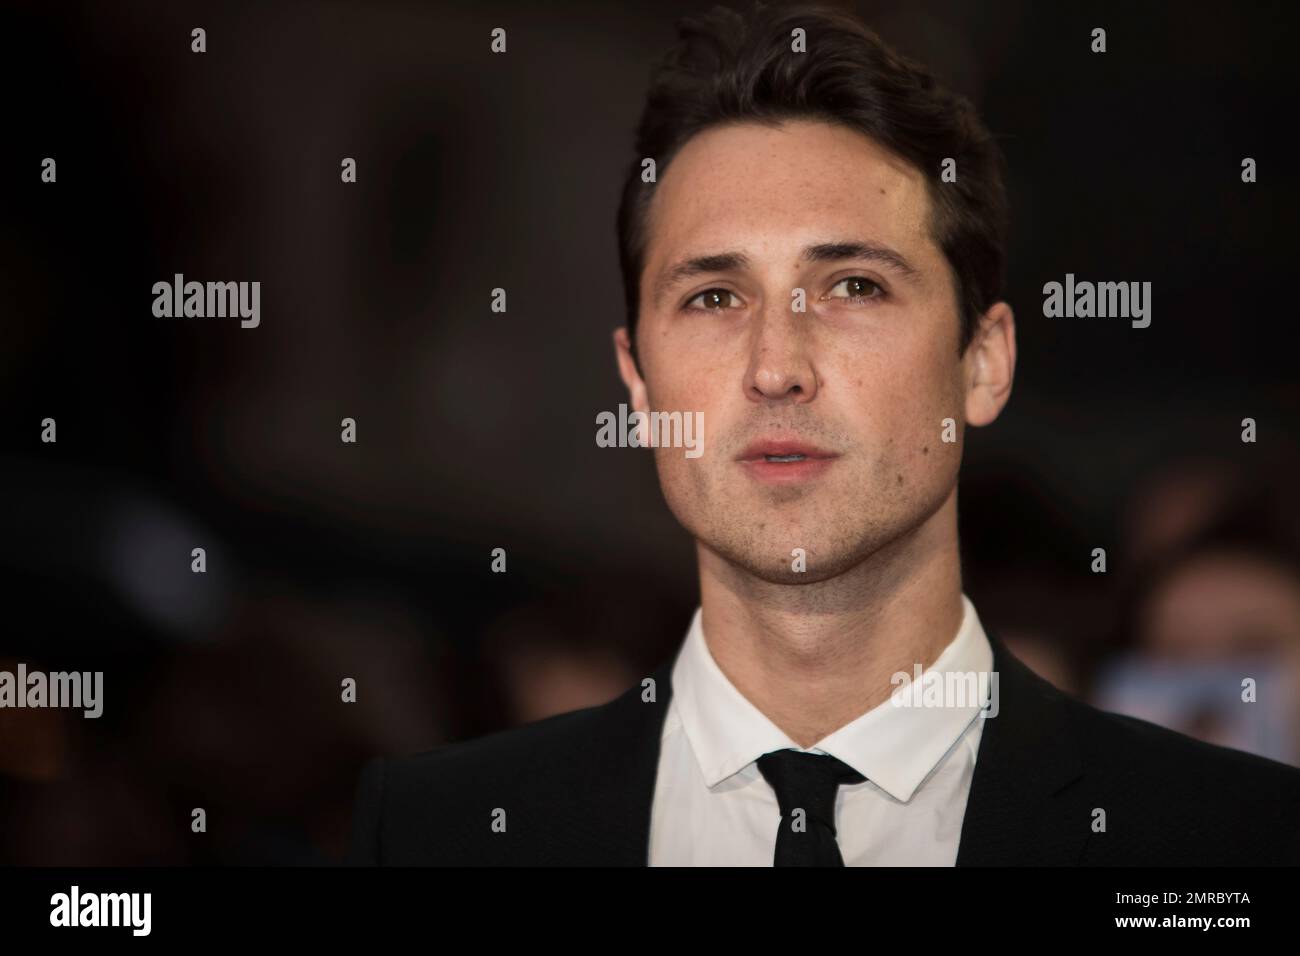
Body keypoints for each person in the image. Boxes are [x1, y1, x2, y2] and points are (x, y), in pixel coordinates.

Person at [347, 1, 1300, 866]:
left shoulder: (1225, 841)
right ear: (638, 381)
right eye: (714, 297)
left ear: (984, 362)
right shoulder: (443, 835)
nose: (775, 365)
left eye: (854, 287)